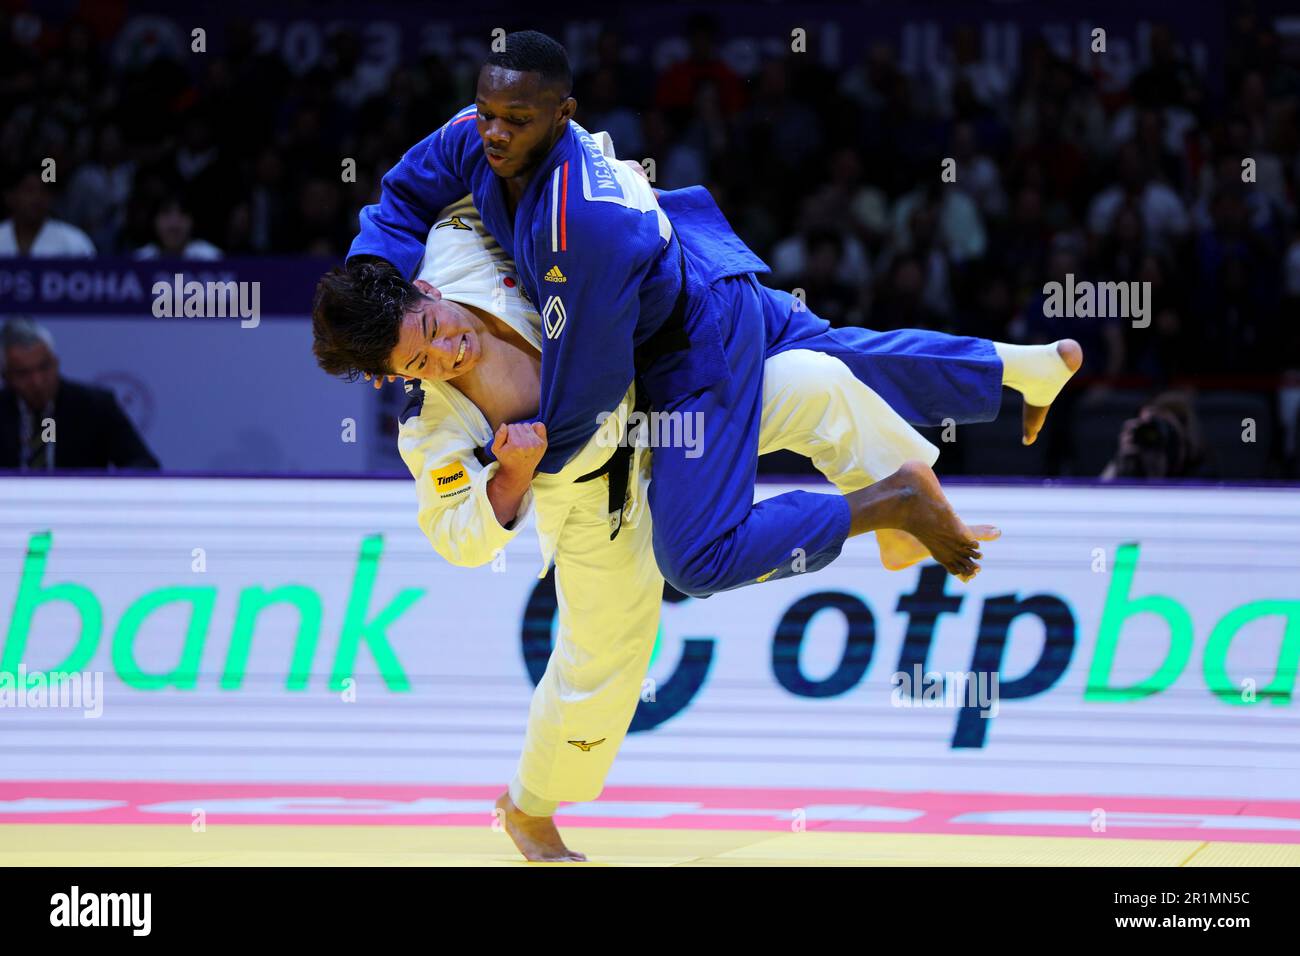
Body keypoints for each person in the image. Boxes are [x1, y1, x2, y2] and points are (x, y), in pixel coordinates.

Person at [314, 192, 998, 861]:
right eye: (418, 365)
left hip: (671, 410)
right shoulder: (429, 427)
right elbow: (456, 536)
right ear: (390, 379)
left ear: (423, 288)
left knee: (812, 382)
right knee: (604, 659)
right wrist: (511, 475)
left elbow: (492, 171)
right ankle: (529, 806)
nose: (447, 355)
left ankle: (902, 513)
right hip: (593, 499)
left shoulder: (458, 247)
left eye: (434, 331)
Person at [346, 30, 1081, 596]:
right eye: (487, 115)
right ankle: (1021, 369)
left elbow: (591, 392)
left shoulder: (575, 231)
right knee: (840, 354)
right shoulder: (478, 140)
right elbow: (403, 195)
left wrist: (529, 470)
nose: (496, 133)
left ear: (562, 116)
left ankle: (891, 504)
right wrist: (375, 288)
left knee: (695, 558)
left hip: (695, 336)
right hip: (698, 264)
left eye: (517, 120)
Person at [0, 318, 160, 471]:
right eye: (23, 373)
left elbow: (143, 464)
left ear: (56, 363)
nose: (37, 382)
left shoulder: (95, 406)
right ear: (5, 376)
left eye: (44, 367)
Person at [0, 169, 96, 257]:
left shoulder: (74, 240)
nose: (37, 198)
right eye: (29, 190)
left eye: (43, 191)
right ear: (10, 196)